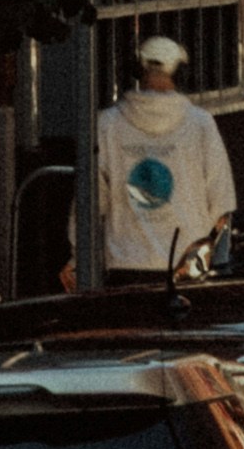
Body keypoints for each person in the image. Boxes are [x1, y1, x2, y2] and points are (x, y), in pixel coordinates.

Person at [93, 31, 236, 280]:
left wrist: (78, 257)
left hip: (125, 262)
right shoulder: (200, 124)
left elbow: (93, 201)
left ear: (137, 70)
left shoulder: (107, 125)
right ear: (181, 72)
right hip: (187, 264)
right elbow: (221, 203)